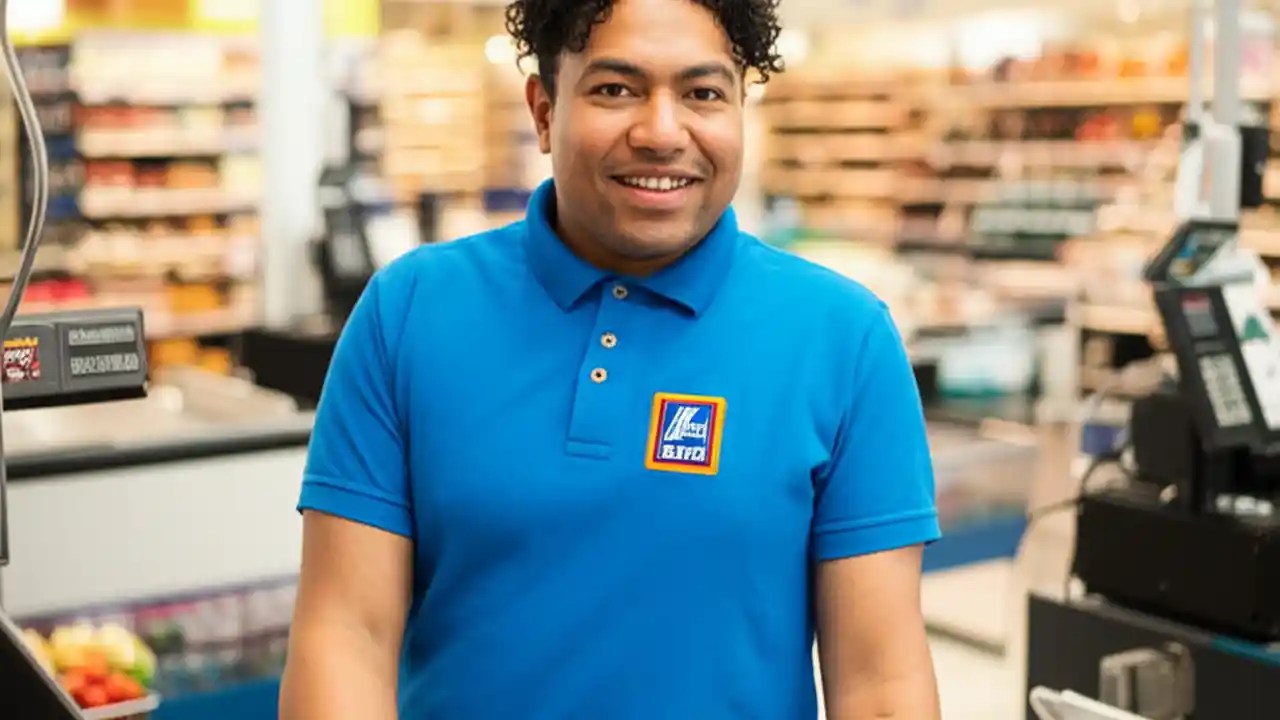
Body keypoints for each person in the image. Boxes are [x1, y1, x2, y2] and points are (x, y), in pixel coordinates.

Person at [279, 0, 942, 717]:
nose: (662, 132)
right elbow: (346, 636)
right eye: (615, 89)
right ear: (542, 109)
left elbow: (881, 685)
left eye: (703, 93)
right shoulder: (408, 312)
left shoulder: (843, 338)